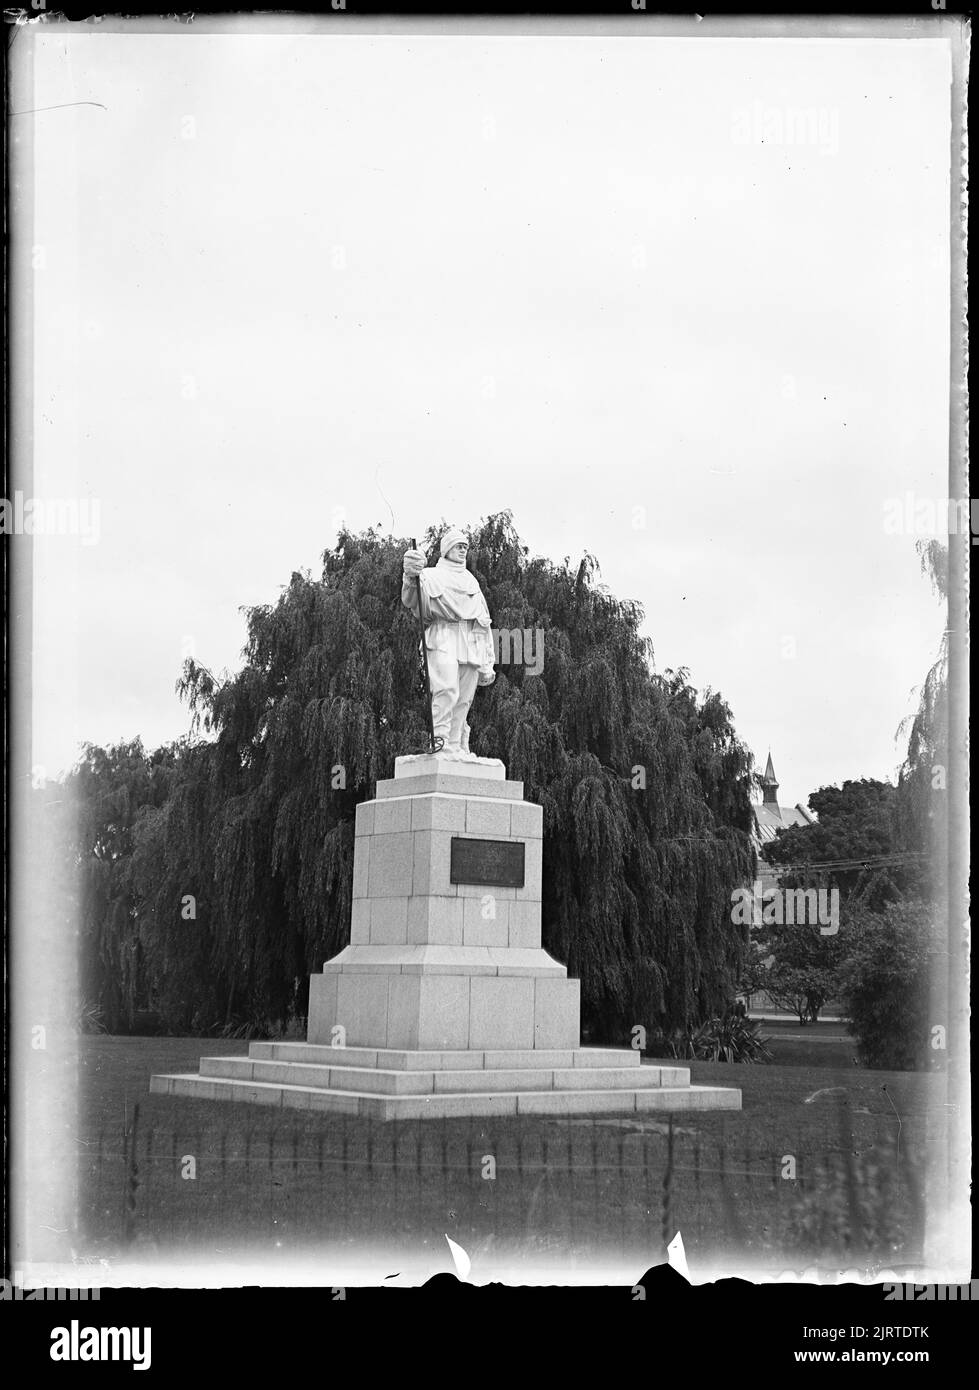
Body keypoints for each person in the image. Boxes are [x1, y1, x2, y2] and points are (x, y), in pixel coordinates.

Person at [402, 529, 496, 756]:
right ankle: (441, 741)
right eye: (458, 545)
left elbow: (483, 620)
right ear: (446, 549)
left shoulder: (471, 582)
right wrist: (409, 577)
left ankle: (456, 745)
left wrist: (487, 657)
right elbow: (413, 602)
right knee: (446, 689)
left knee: (464, 697)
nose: (463, 550)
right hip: (442, 634)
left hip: (469, 639)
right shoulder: (431, 575)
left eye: (465, 546)